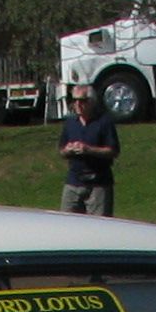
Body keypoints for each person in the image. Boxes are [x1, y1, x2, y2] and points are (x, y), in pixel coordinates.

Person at [58, 81, 118, 215]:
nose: (78, 104)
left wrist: (89, 150)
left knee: (99, 228)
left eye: (82, 100)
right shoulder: (70, 123)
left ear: (91, 102)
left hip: (98, 185)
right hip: (73, 182)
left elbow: (113, 151)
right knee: (65, 224)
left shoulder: (104, 122)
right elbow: (61, 150)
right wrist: (68, 150)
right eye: (75, 100)